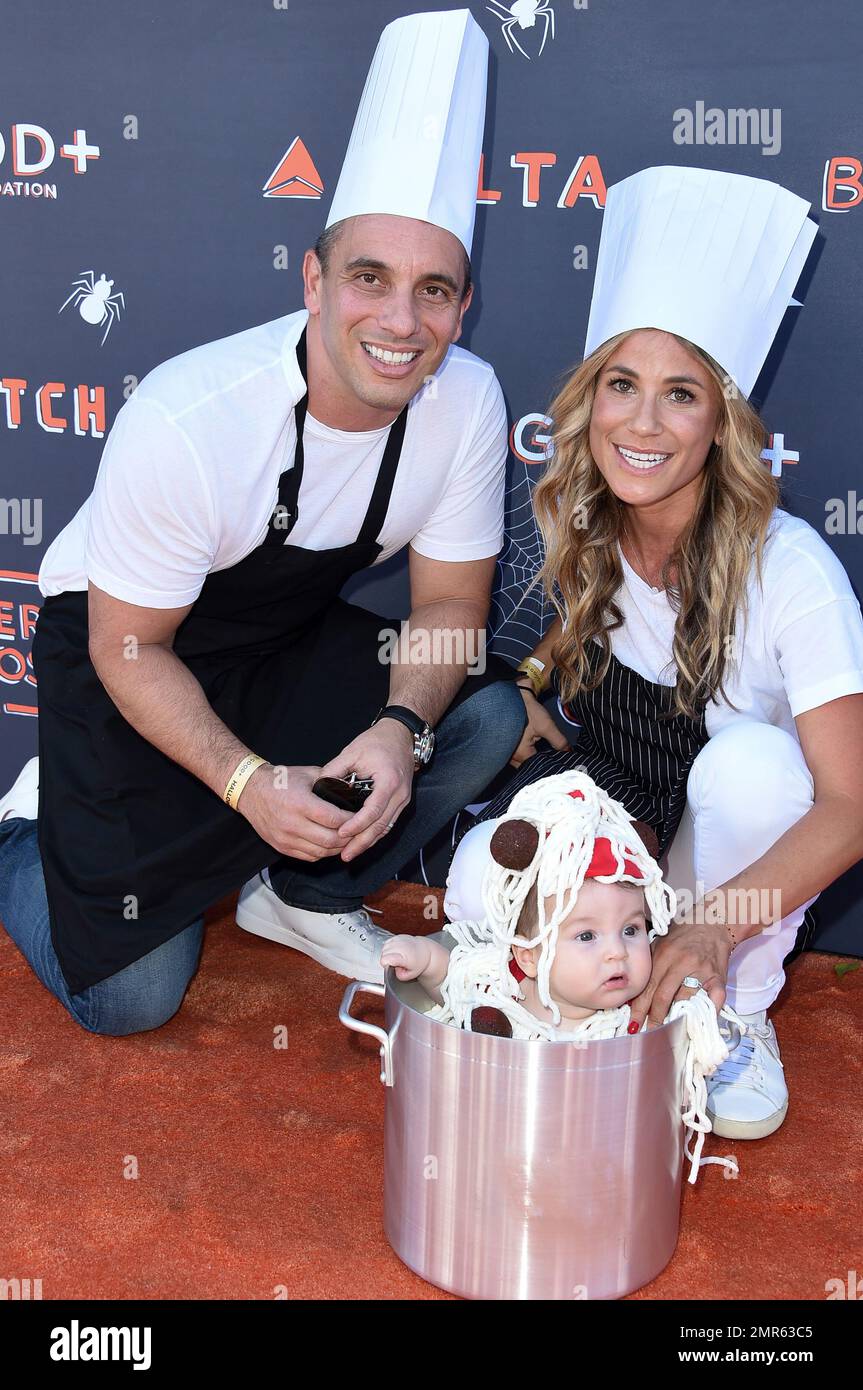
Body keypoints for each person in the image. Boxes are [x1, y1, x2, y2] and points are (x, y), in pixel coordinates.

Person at [0, 10, 528, 1035]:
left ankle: (300, 894)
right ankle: (27, 830)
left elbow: (454, 601)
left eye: (432, 291)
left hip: (277, 643)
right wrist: (246, 782)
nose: (398, 322)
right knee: (129, 998)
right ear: (312, 280)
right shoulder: (191, 417)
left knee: (483, 715)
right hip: (132, 650)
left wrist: (396, 729)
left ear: (462, 308)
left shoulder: (467, 397)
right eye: (368, 278)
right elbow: (127, 640)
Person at [447, 166, 863, 1142]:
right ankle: (601, 982)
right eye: (619, 386)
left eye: (677, 394)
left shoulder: (789, 571)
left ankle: (731, 1004)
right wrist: (532, 684)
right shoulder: (594, 514)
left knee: (755, 765)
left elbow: (848, 801)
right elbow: (581, 619)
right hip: (619, 805)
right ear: (588, 401)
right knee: (473, 877)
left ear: (720, 420)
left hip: (729, 851)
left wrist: (714, 922)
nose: (639, 422)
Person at [384, 771, 744, 1184]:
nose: (617, 951)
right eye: (586, 936)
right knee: (474, 1016)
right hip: (503, 1146)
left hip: (604, 1161)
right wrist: (422, 957)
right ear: (531, 955)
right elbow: (454, 980)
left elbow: (694, 1029)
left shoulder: (646, 1016)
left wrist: (699, 1028)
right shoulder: (511, 985)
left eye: (631, 929)